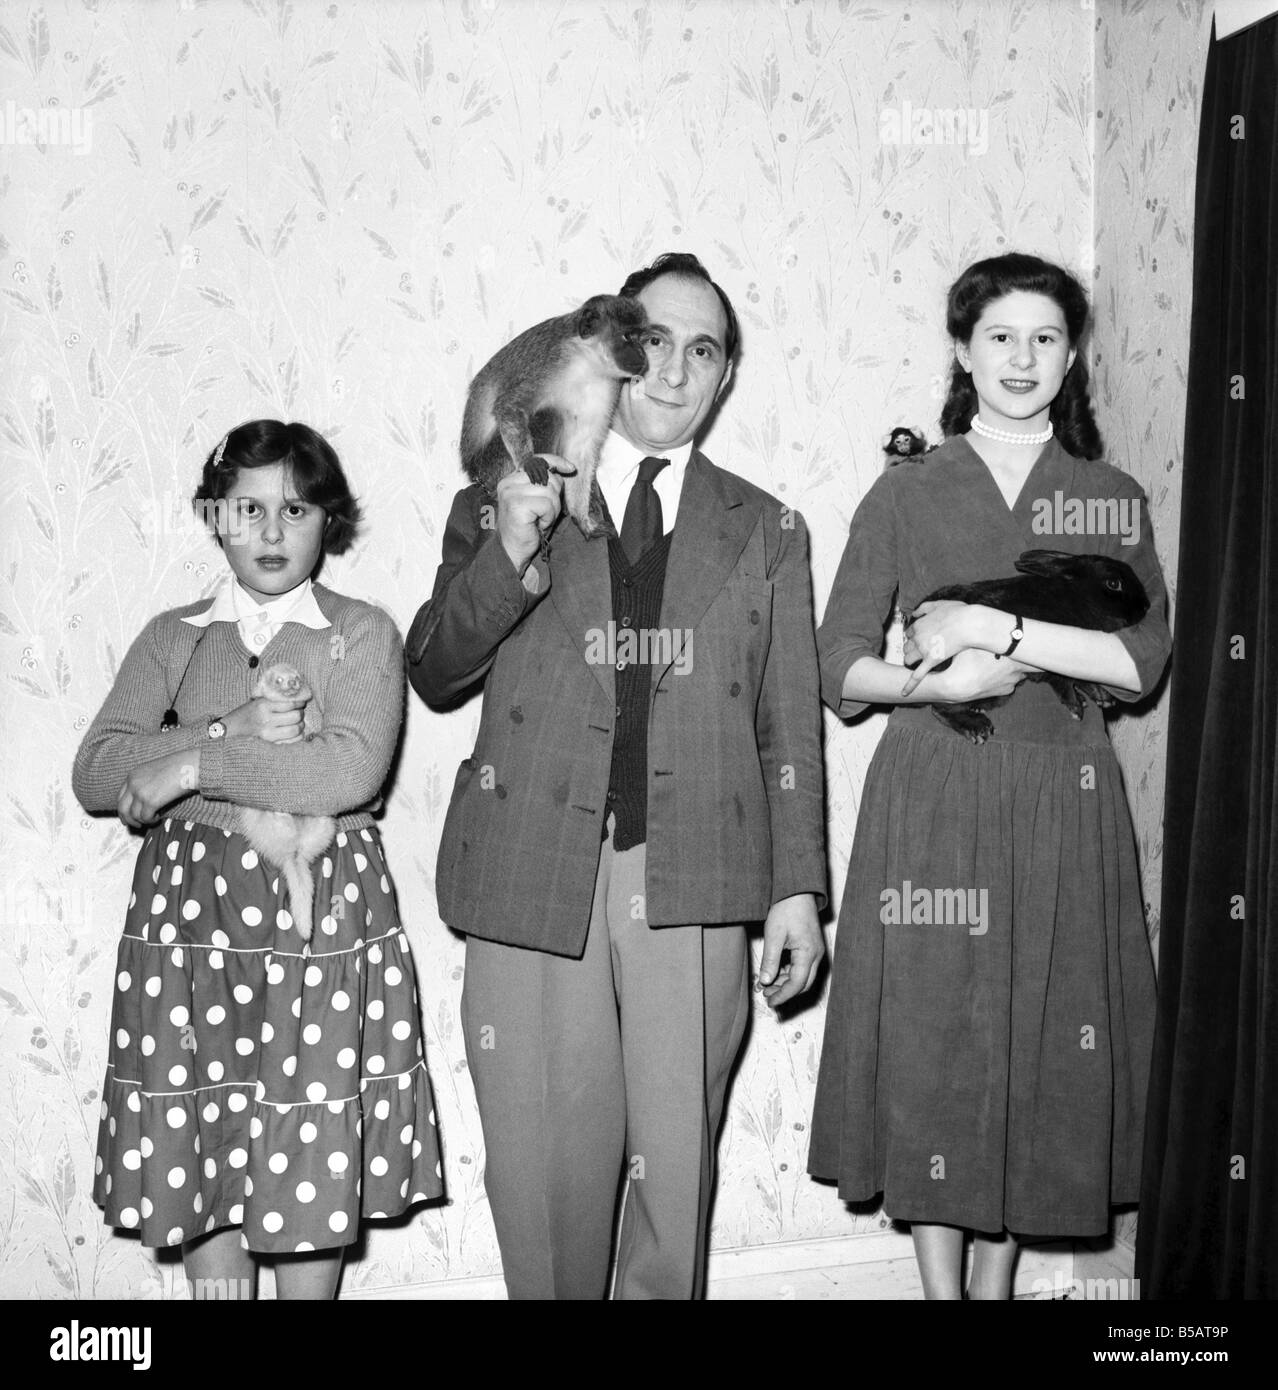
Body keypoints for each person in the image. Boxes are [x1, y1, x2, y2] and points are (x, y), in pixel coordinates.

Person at [409, 253, 827, 1299]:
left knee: (674, 1166)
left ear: (726, 376)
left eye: (704, 351)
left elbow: (789, 724)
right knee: (547, 1168)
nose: (674, 371)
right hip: (532, 866)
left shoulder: (768, 529)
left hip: (694, 876)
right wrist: (510, 546)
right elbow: (435, 667)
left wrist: (796, 889)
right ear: (608, 350)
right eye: (655, 343)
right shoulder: (508, 492)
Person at [808, 253, 1171, 1299]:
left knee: (1044, 1038)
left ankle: (998, 1292)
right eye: (1001, 336)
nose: (1023, 358)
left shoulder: (1107, 498)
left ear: (1072, 358)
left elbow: (1141, 663)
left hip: (1067, 795)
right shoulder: (910, 490)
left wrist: (993, 624)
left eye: (1046, 338)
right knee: (940, 1033)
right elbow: (840, 662)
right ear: (963, 350)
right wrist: (942, 679)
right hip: (937, 791)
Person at [72, 420, 443, 1299]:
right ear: (216, 518)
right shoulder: (176, 637)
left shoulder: (360, 633)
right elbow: (96, 771)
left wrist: (191, 766)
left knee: (304, 1141)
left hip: (317, 923)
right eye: (249, 508)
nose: (273, 532)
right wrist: (224, 730)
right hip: (190, 924)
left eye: (297, 508)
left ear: (328, 522)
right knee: (202, 1134)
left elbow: (345, 771)